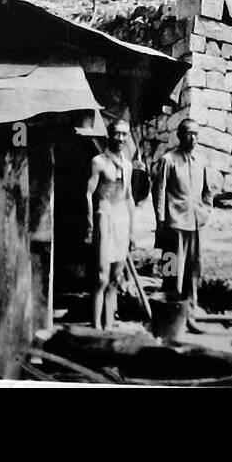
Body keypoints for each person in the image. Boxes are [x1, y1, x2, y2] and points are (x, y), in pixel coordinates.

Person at [152, 118, 213, 310]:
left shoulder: (201, 160)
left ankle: (191, 308)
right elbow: (159, 192)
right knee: (171, 268)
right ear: (179, 135)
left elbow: (208, 191)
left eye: (196, 133)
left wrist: (205, 211)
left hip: (194, 223)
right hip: (174, 224)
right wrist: (161, 221)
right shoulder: (168, 160)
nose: (193, 137)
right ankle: (170, 309)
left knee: (193, 268)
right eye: (188, 133)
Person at [85, 116, 135, 329]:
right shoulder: (99, 162)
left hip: (122, 219)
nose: (121, 138)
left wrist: (132, 231)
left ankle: (108, 326)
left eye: (125, 134)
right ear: (110, 135)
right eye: (117, 133)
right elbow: (88, 194)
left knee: (116, 277)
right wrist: (90, 226)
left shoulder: (129, 164)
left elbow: (129, 197)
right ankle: (95, 325)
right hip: (104, 217)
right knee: (101, 277)